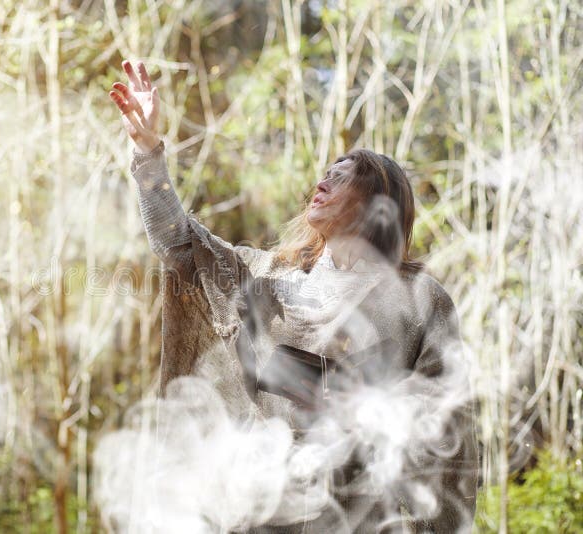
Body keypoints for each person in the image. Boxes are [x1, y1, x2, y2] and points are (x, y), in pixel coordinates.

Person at [109, 59, 478, 533]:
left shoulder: (420, 300)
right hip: (262, 509)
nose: (321, 183)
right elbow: (178, 243)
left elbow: (450, 428)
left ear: (376, 204)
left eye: (342, 177)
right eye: (326, 173)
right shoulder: (263, 279)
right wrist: (147, 152)